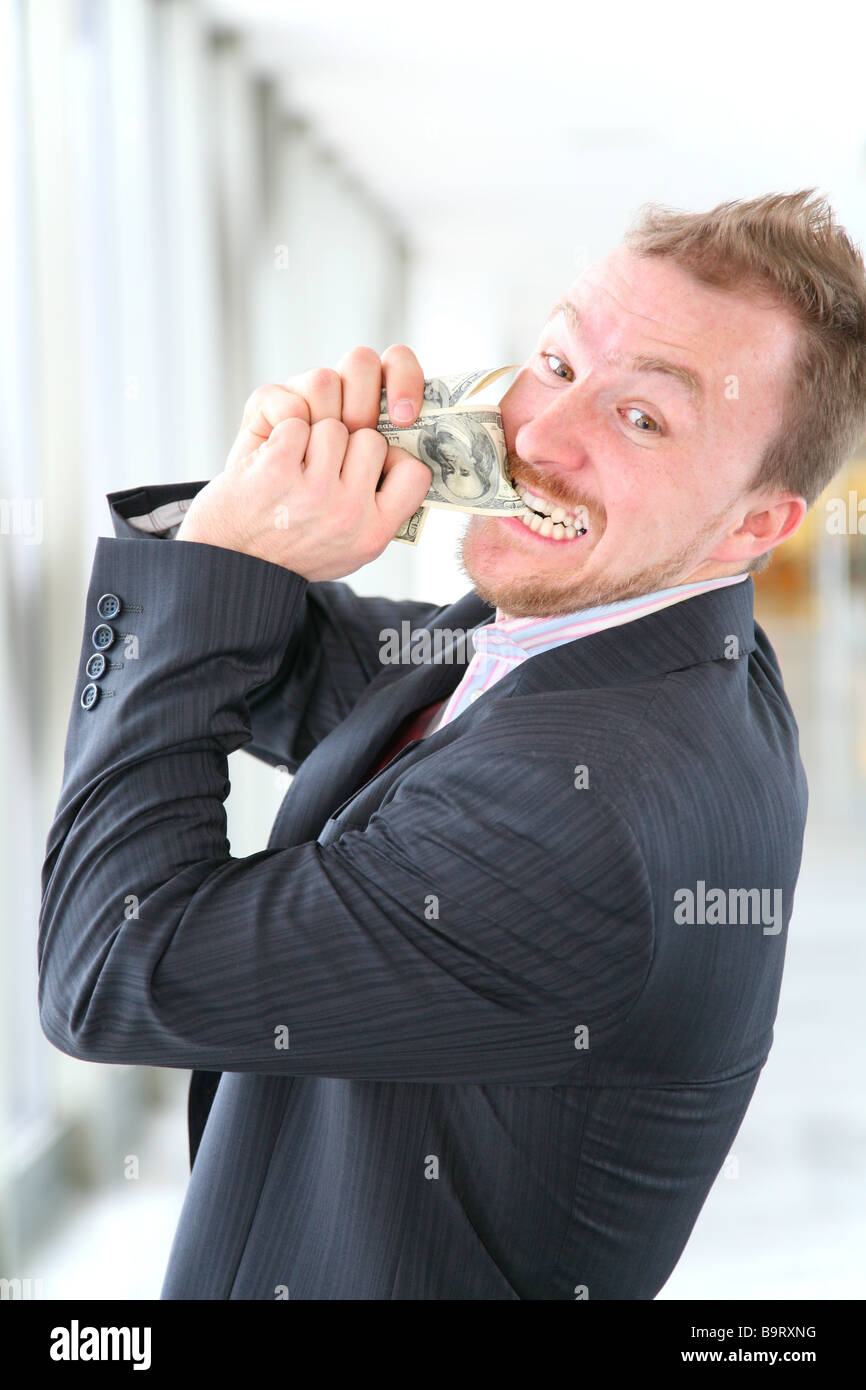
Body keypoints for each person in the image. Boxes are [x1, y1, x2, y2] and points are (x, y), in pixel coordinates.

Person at [39, 189, 866, 1299]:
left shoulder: (579, 817)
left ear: (754, 525)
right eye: (560, 363)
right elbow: (335, 688)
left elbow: (112, 969)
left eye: (644, 419)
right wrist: (244, 515)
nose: (537, 435)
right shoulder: (619, 634)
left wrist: (224, 570)